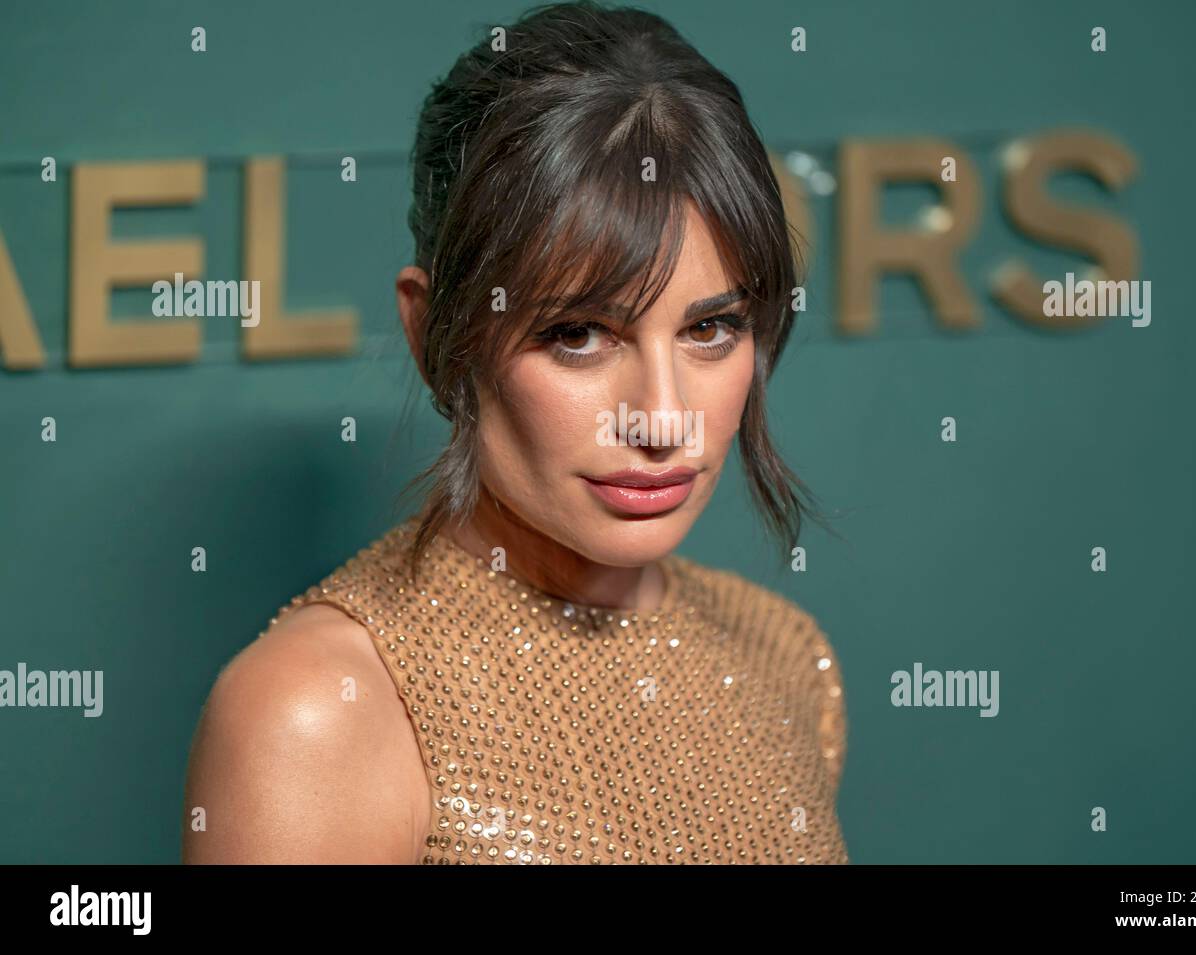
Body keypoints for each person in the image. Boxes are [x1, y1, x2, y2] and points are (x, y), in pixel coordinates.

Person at [182, 0, 848, 864]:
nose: (662, 418)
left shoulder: (782, 655)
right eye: (577, 334)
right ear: (434, 336)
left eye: (710, 328)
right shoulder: (319, 712)